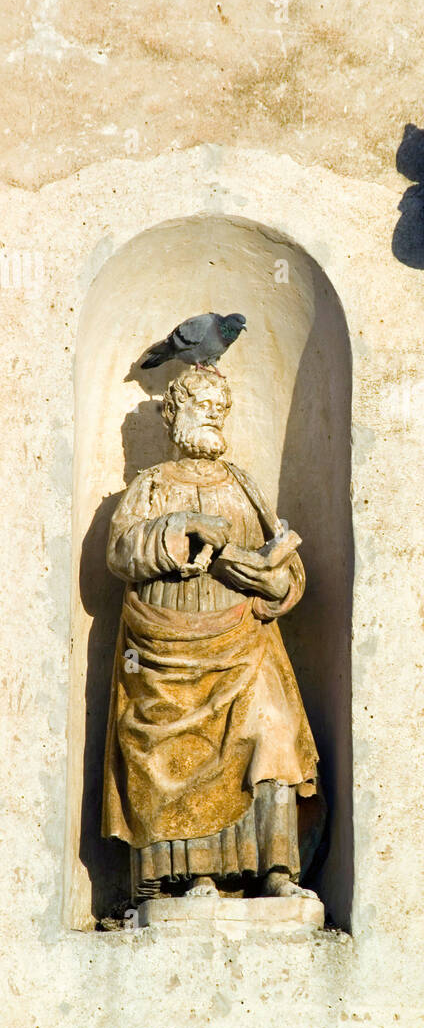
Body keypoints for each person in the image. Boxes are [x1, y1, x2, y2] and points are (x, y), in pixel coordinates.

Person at [102, 365, 323, 902]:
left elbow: (285, 560)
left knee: (273, 727)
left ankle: (274, 872)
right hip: (165, 651)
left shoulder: (243, 484)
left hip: (245, 644)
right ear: (173, 414)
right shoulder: (150, 485)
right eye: (201, 403)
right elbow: (120, 552)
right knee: (180, 757)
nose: (213, 413)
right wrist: (181, 529)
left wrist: (273, 579)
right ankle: (192, 874)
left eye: (220, 406)